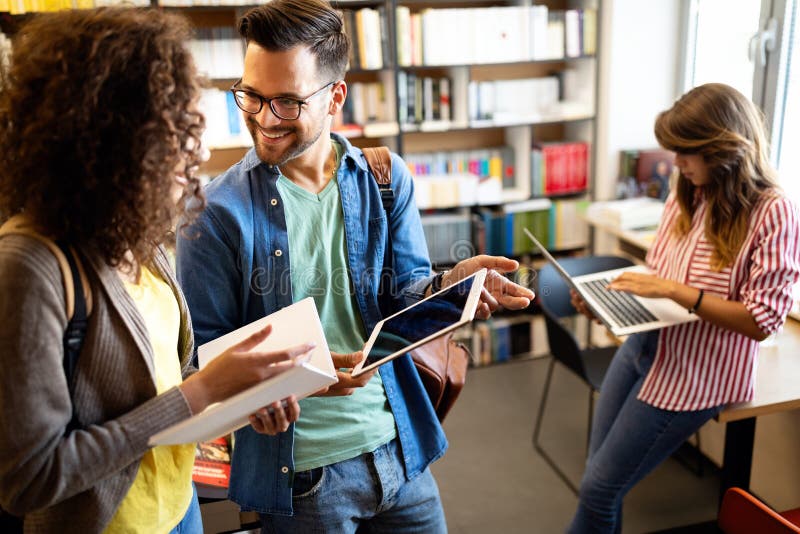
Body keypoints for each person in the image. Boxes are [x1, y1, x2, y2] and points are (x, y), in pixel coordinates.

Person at [175, 0, 534, 531]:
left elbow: (406, 294)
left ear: (335, 96)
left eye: (288, 102)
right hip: (301, 478)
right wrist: (288, 384)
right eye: (251, 95)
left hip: (401, 448)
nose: (264, 118)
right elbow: (203, 364)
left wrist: (451, 288)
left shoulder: (385, 179)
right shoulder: (211, 214)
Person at [0, 8, 307, 533]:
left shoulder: (134, 235)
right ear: (109, 143)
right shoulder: (29, 269)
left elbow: (164, 384)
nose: (202, 151)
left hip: (178, 508)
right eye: (177, 134)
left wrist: (237, 393)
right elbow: (29, 477)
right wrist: (204, 392)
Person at [567, 82, 800, 533]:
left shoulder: (774, 211)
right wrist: (608, 306)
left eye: (686, 152)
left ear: (724, 149)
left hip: (697, 374)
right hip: (643, 350)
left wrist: (678, 293)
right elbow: (658, 277)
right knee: (598, 481)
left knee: (599, 488)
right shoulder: (687, 192)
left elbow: (762, 320)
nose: (676, 163)